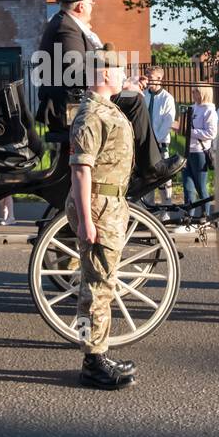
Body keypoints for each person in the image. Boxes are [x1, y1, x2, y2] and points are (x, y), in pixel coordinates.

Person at [35, 0, 181, 192]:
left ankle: (134, 165)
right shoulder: (65, 28)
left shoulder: (66, 25)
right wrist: (120, 87)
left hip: (73, 100)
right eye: (91, 3)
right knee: (136, 102)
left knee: (132, 97)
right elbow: (77, 73)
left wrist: (122, 82)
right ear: (80, 6)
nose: (93, 7)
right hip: (68, 107)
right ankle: (149, 167)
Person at [67, 43, 138, 390]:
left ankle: (92, 354)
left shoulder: (104, 108)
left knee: (92, 285)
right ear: (107, 74)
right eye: (121, 71)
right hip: (99, 206)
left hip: (107, 205)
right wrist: (85, 221)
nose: (126, 76)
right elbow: (81, 170)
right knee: (99, 286)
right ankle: (94, 363)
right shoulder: (92, 115)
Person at [176, 85, 217, 230]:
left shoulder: (209, 110)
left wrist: (189, 131)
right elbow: (186, 128)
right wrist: (179, 128)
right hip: (187, 150)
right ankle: (189, 216)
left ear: (203, 93)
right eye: (193, 91)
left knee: (201, 186)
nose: (193, 94)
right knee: (187, 185)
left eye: (196, 92)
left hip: (200, 151)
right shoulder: (192, 107)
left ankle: (205, 215)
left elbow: (211, 133)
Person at [144, 66, 177, 210]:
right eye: (146, 76)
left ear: (159, 79)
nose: (148, 80)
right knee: (147, 179)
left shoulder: (167, 98)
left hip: (160, 144)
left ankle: (166, 209)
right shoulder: (143, 95)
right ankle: (148, 208)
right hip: (144, 144)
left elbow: (167, 124)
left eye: (151, 77)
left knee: (163, 179)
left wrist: (154, 140)